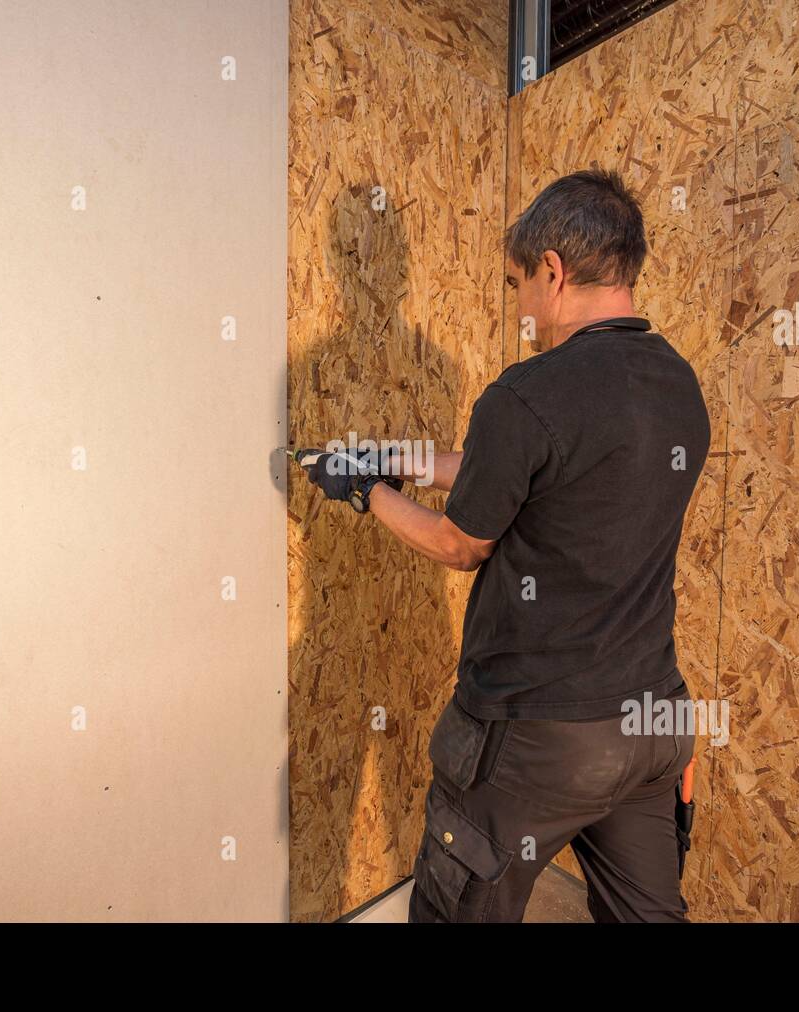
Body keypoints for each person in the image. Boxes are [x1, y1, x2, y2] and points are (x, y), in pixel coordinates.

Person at [299, 168, 710, 922]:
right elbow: (537, 470)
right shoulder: (677, 385)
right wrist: (396, 459)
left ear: (553, 271)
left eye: (519, 281)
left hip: (536, 736)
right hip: (652, 724)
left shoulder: (527, 392)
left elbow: (462, 544)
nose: (520, 303)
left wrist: (361, 491)